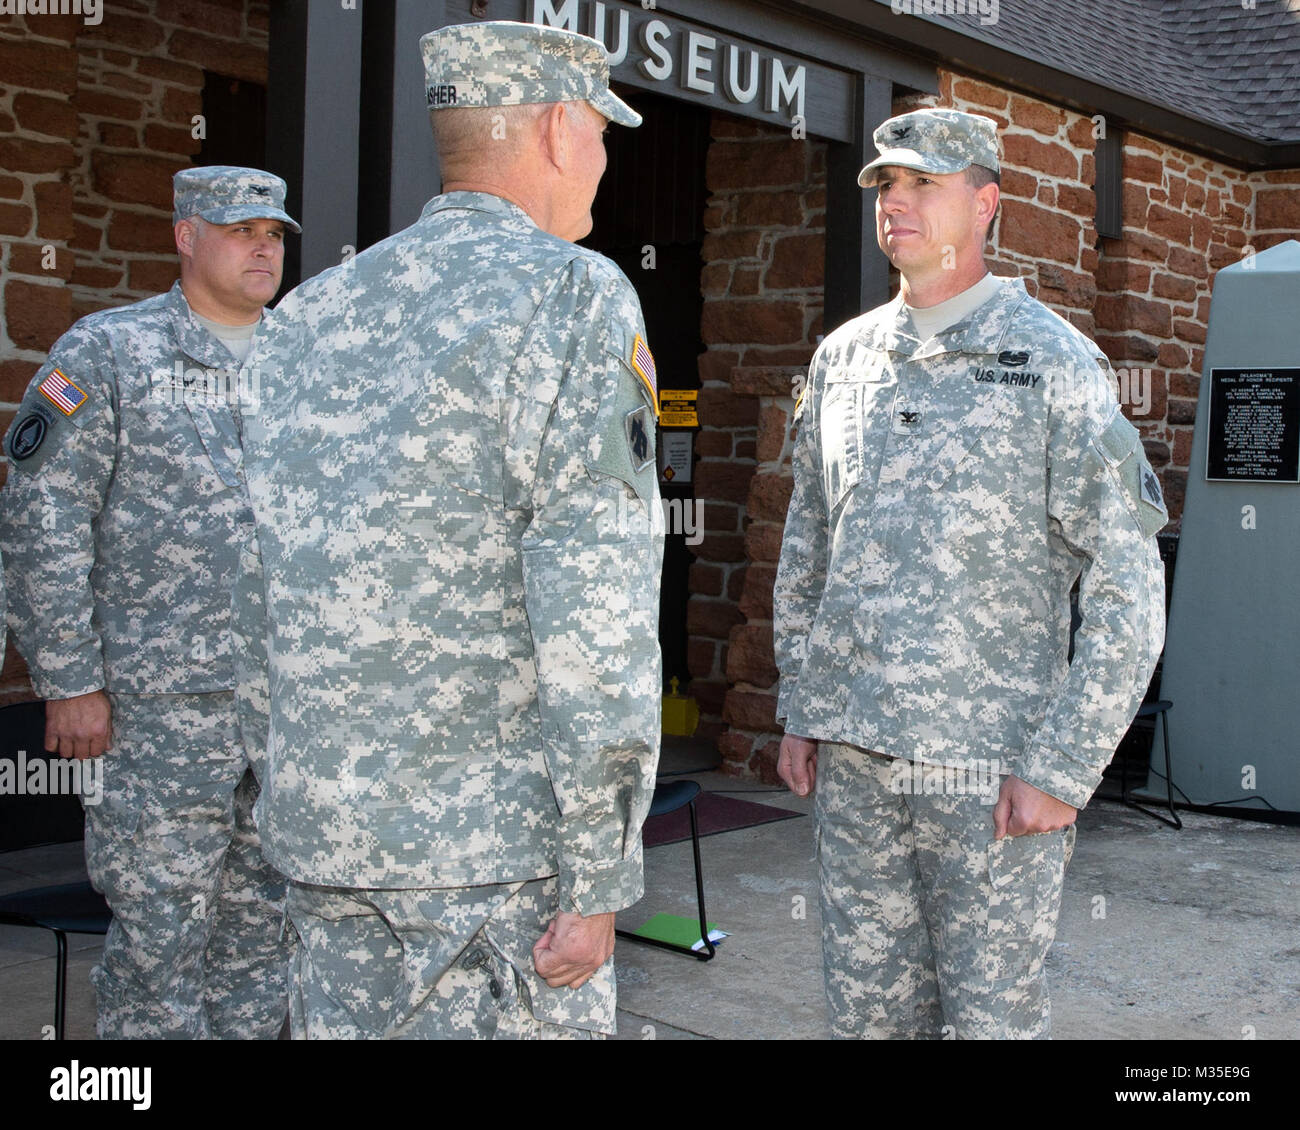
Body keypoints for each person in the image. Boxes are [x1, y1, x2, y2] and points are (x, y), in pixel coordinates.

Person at [235, 20, 663, 1040]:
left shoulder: (307, 313)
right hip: (495, 865)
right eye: (601, 132)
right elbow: (593, 609)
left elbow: (257, 585)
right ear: (560, 127)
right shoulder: (573, 295)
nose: (604, 159)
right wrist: (601, 867)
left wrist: (282, 797)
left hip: (322, 840)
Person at [774, 107, 1167, 1039]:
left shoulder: (1055, 364)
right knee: (867, 1019)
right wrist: (802, 705)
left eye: (923, 183)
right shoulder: (843, 361)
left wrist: (1065, 766)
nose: (896, 203)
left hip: (990, 774)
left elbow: (1127, 585)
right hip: (858, 763)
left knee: (988, 1025)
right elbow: (809, 548)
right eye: (885, 186)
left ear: (985, 203)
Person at [0, 166, 298, 1039]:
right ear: (185, 235)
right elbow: (41, 513)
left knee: (264, 934)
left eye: (275, 233)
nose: (262, 247)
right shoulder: (110, 353)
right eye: (242, 229)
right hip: (154, 710)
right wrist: (67, 679)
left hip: (285, 705)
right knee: (158, 936)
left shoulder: (310, 358)